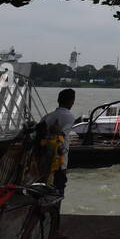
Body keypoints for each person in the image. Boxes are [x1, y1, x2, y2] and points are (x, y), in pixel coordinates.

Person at [39, 89, 77, 220]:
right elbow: (62, 135)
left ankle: (44, 222)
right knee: (58, 192)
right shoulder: (69, 117)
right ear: (72, 101)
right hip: (59, 162)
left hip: (45, 161)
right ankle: (55, 226)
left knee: (45, 191)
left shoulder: (48, 116)